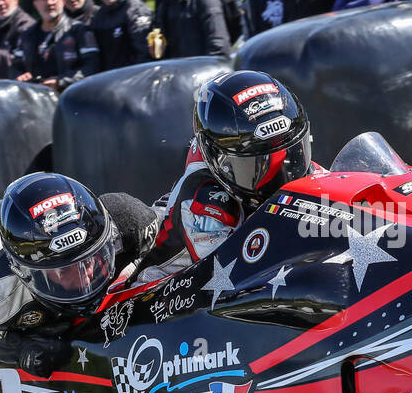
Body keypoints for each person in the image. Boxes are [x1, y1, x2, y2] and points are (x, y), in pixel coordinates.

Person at [0, 173, 160, 375]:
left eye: (92, 260)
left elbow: (176, 216)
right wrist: (17, 350)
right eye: (66, 271)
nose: (86, 278)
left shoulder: (131, 224)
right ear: (28, 274)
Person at [135, 69, 315, 284]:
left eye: (291, 154)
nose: (282, 177)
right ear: (219, 160)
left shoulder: (285, 164)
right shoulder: (205, 205)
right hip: (168, 298)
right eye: (257, 166)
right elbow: (236, 278)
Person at [14, 0, 99, 93]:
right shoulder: (27, 35)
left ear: (63, 1)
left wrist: (61, 82)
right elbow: (14, 66)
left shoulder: (79, 30)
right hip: (37, 100)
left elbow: (92, 67)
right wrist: (20, 76)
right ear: (36, 3)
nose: (50, 3)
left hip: (70, 99)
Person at [89, 0, 154, 70]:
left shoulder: (135, 10)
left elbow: (145, 55)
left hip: (133, 78)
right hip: (109, 80)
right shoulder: (99, 16)